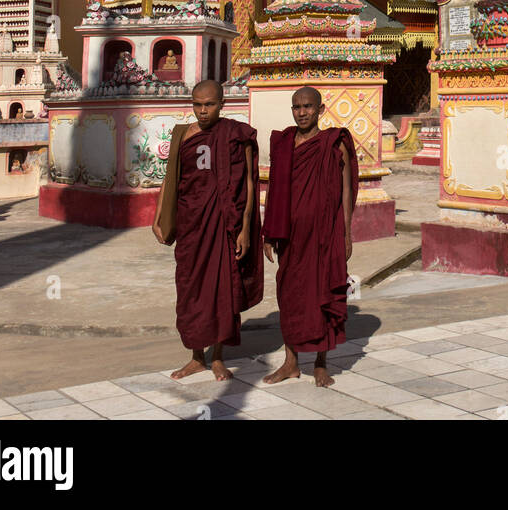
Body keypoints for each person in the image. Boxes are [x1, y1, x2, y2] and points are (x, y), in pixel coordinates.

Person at [152, 79, 262, 380]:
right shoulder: (181, 135)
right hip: (191, 223)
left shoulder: (236, 135)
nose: (203, 111)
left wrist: (244, 228)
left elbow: (250, 183)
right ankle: (196, 357)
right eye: (197, 104)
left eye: (209, 104)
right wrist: (159, 215)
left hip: (224, 224)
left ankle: (217, 357)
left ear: (222, 103)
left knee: (221, 289)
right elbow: (170, 178)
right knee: (191, 288)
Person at [262, 86, 357, 387]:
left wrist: (346, 232)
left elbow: (345, 191)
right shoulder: (283, 144)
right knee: (289, 297)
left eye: (308, 107)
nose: (302, 112)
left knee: (322, 295)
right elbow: (274, 190)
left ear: (320, 109)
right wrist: (268, 232)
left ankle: (320, 362)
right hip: (290, 235)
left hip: (323, 234)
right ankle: (290, 362)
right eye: (296, 107)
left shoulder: (333, 143)